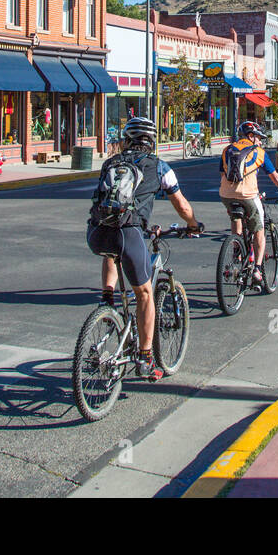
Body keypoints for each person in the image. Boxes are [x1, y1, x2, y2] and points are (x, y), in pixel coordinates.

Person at [86, 116, 202, 383]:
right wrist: (193, 224)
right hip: (129, 233)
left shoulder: (110, 163)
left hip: (96, 233)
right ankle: (145, 358)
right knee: (145, 294)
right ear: (152, 141)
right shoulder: (159, 167)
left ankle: (106, 300)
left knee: (111, 253)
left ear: (127, 140)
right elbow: (181, 205)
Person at [219, 121, 278, 288]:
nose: (260, 141)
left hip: (225, 195)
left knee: (235, 215)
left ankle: (237, 248)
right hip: (248, 195)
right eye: (258, 137)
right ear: (251, 136)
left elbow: (224, 174)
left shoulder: (227, 150)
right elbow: (275, 177)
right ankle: (257, 270)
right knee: (259, 229)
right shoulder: (259, 152)